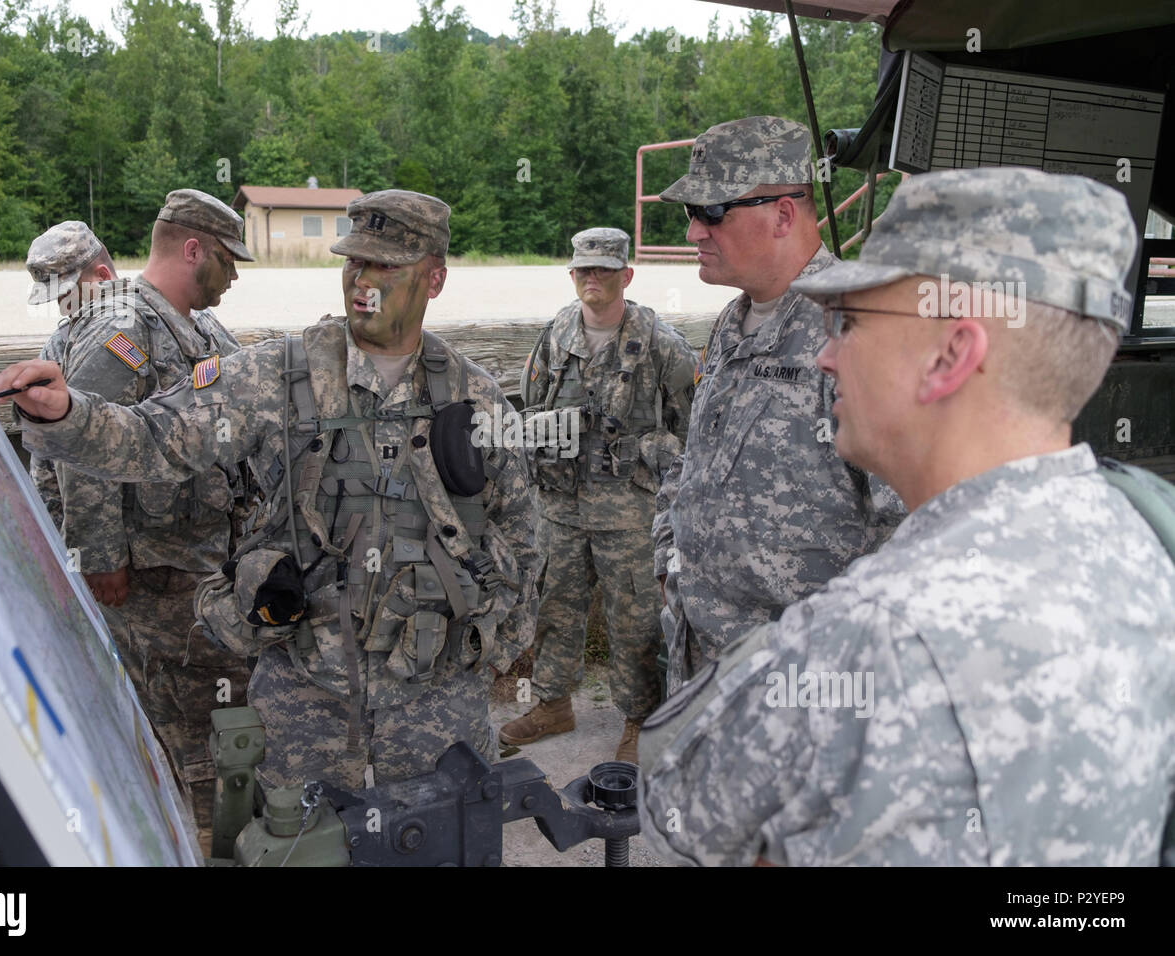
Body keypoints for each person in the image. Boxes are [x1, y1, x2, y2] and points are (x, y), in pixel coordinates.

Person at [637, 166, 1175, 866]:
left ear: (951, 355)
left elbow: (676, 807)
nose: (827, 354)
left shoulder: (876, 629)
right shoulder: (1145, 534)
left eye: (853, 321)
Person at [0, 189, 538, 794]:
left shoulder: (477, 398)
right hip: (307, 690)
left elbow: (520, 533)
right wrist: (65, 414)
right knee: (298, 844)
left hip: (437, 694)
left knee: (444, 842)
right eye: (354, 261)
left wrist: (496, 647)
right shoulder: (276, 375)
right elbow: (157, 437)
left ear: (434, 279)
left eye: (386, 266)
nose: (363, 280)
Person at [653, 116, 903, 694]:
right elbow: (695, 461)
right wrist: (670, 554)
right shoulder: (731, 324)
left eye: (710, 212)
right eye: (688, 215)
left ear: (784, 214)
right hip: (702, 661)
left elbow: (911, 530)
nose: (694, 233)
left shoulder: (861, 327)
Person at [49, 190, 256, 832]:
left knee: (226, 720)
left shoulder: (205, 328)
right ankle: (198, 839)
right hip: (155, 576)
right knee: (189, 729)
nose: (236, 273)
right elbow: (77, 446)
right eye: (227, 258)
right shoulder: (122, 331)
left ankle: (221, 833)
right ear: (192, 249)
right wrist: (101, 557)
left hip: (209, 565)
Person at [501, 227, 695, 762]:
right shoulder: (555, 334)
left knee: (633, 618)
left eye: (605, 270)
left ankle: (639, 719)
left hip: (630, 509)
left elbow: (693, 432)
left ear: (626, 276)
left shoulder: (661, 345)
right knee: (554, 606)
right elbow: (529, 409)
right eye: (585, 270)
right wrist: (548, 429)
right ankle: (552, 703)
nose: (594, 278)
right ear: (572, 275)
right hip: (560, 506)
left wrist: (644, 447)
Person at [24, 220, 119, 528]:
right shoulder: (60, 346)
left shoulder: (175, 321)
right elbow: (46, 463)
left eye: (69, 296)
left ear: (102, 276)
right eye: (57, 299)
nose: (65, 309)